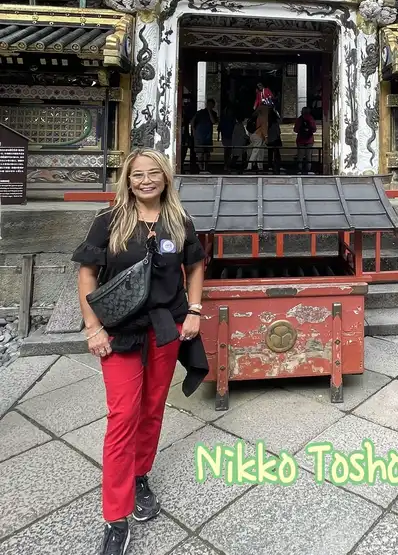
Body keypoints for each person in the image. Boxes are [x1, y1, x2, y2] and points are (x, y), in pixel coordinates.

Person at [73, 149, 208, 555]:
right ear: (127, 181)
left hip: (165, 326)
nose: (145, 181)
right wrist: (92, 327)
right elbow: (86, 273)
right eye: (137, 175)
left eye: (153, 174)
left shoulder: (178, 221)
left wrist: (195, 309)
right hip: (119, 332)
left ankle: (140, 474)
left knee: (151, 407)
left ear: (165, 178)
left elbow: (197, 265)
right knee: (123, 415)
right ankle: (115, 516)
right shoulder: (109, 221)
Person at [191, 99, 218, 169]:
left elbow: (213, 121)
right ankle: (200, 168)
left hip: (208, 136)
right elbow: (193, 122)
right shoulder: (200, 113)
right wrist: (194, 131)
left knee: (207, 153)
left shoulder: (214, 113)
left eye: (211, 105)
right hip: (199, 136)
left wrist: (209, 111)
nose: (210, 106)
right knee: (200, 153)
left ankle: (205, 168)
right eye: (209, 104)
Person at [294, 106, 317, 174]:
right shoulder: (311, 119)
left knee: (300, 156)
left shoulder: (299, 119)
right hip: (309, 140)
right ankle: (308, 170)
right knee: (308, 156)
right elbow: (314, 129)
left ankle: (299, 170)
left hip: (300, 139)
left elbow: (295, 130)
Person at [217, 105, 236, 172]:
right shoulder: (224, 119)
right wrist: (218, 136)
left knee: (229, 151)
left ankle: (228, 165)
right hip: (225, 136)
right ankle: (226, 165)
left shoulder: (232, 119)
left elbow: (234, 128)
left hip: (230, 136)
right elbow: (219, 128)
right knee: (227, 151)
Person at [266, 108, 282, 174]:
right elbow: (278, 132)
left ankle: (270, 165)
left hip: (269, 140)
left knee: (270, 153)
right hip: (275, 140)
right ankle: (276, 167)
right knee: (276, 154)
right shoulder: (275, 123)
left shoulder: (267, 122)